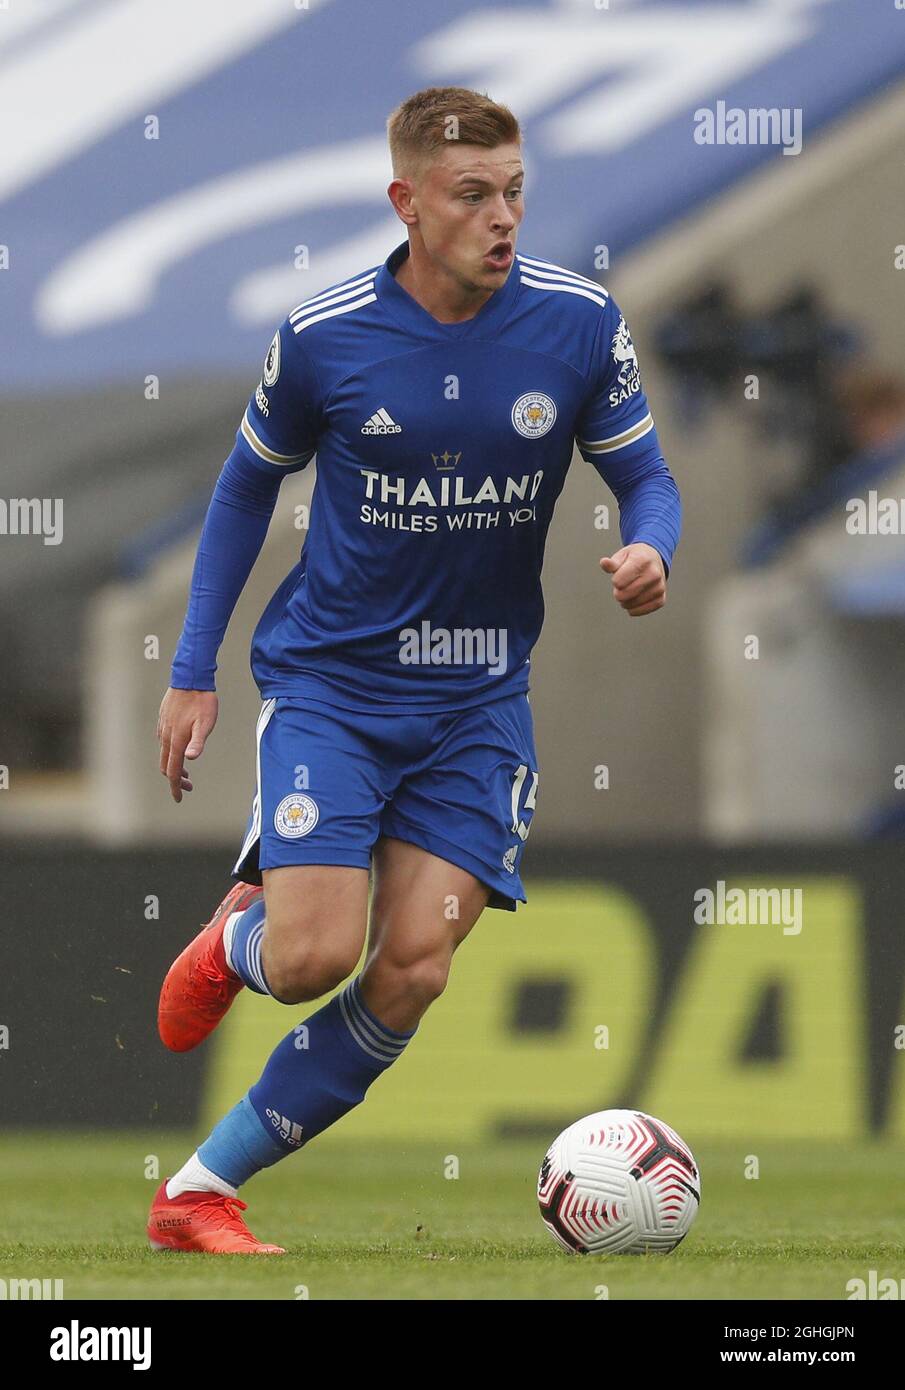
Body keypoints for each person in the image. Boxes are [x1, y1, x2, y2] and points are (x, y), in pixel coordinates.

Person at [147, 86, 681, 1254]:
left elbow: (648, 478)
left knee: (413, 967)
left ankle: (195, 1193)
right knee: (308, 960)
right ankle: (232, 943)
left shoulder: (579, 323)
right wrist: (194, 669)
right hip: (333, 689)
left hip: (478, 700)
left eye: (515, 193)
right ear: (406, 202)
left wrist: (652, 547)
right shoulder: (326, 336)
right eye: (472, 195)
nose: (503, 218)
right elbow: (245, 488)